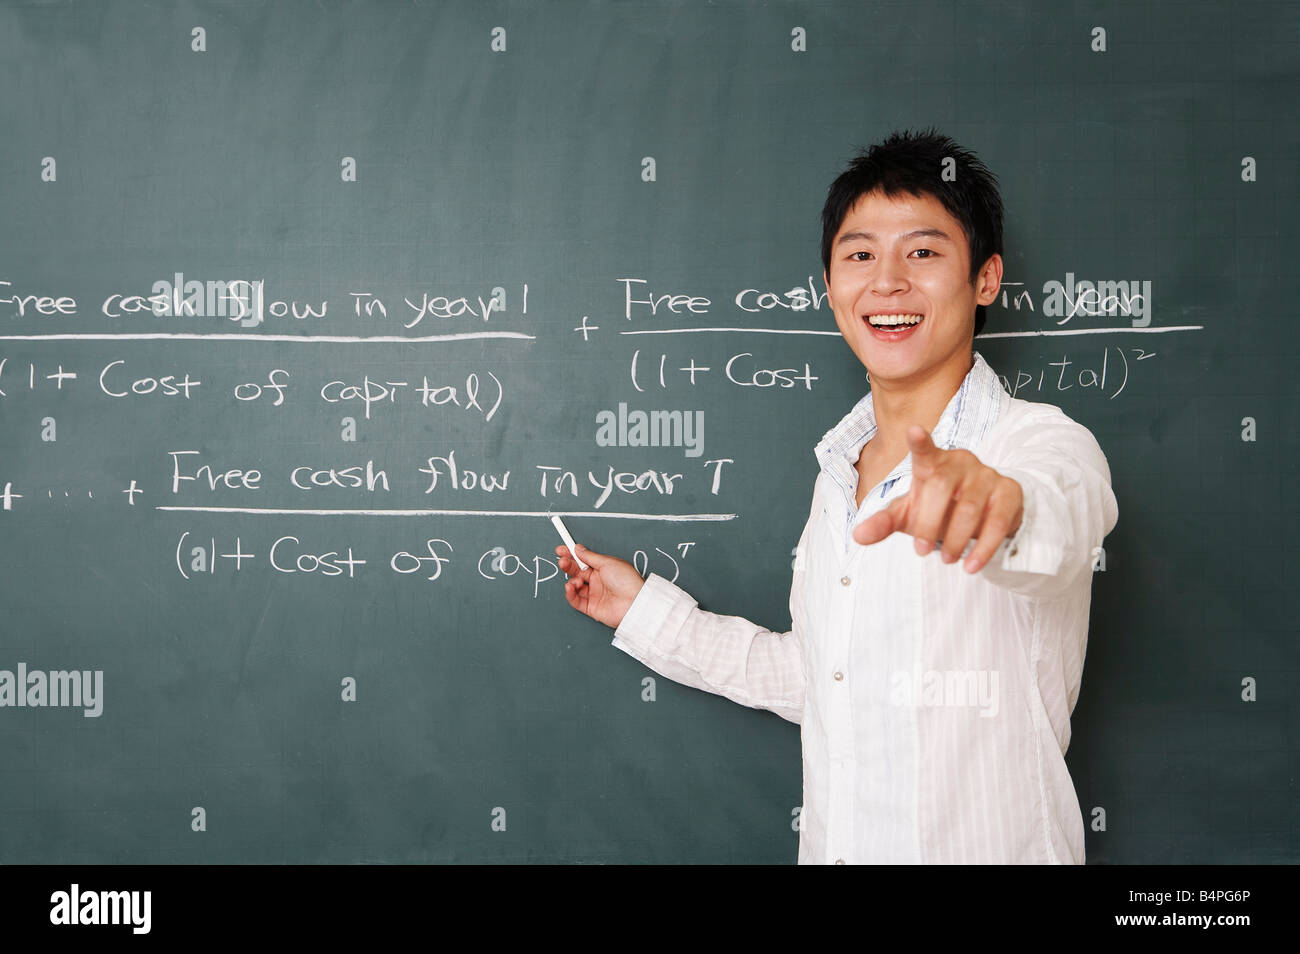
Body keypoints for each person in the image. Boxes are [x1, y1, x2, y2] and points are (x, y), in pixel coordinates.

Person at [556, 128, 1119, 864]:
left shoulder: (1037, 445)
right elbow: (827, 681)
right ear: (829, 287)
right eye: (859, 256)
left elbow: (1060, 521)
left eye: (923, 252)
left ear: (986, 279)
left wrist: (997, 511)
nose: (886, 282)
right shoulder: (837, 474)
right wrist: (640, 611)